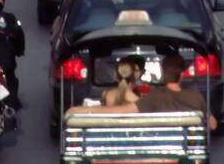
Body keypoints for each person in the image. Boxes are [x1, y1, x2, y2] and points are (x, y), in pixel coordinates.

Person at [70, 48, 216, 130]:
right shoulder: (196, 96)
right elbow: (213, 125)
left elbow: (118, 111)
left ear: (164, 74)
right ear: (182, 75)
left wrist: (79, 111)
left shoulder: (154, 98)